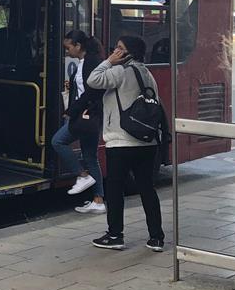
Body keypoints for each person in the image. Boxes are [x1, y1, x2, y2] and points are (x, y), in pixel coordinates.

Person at [86, 35, 166, 252]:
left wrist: (109, 60)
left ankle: (115, 235)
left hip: (121, 141)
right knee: (147, 189)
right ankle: (156, 238)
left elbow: (93, 80)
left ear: (130, 52)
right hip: (146, 142)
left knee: (115, 189)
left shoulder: (119, 72)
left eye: (120, 49)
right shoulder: (147, 73)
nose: (115, 51)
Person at [51, 30, 106, 213]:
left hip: (84, 115)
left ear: (78, 46)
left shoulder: (90, 63)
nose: (67, 52)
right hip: (88, 116)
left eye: (68, 48)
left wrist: (71, 111)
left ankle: (82, 175)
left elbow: (89, 92)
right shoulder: (87, 61)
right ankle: (98, 201)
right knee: (91, 157)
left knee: (58, 141)